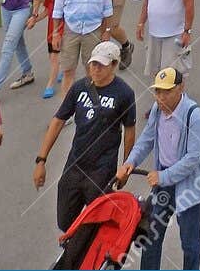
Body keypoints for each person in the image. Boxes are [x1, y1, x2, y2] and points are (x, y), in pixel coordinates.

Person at [35, 41, 137, 231]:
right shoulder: (79, 88)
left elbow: (129, 132)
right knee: (65, 222)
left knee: (96, 223)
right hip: (75, 165)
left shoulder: (124, 93)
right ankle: (73, 248)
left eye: (101, 65)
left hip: (102, 170)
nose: (95, 69)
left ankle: (87, 255)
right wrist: (41, 160)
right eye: (93, 64)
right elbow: (58, 121)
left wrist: (125, 167)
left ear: (114, 65)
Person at [116, 68, 200, 270]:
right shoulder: (157, 110)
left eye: (166, 92)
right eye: (158, 92)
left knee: (189, 242)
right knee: (150, 236)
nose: (161, 97)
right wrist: (130, 162)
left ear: (181, 88)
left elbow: (193, 158)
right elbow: (146, 140)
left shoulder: (194, 116)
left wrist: (163, 176)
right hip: (163, 186)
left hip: (187, 187)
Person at [37, 0, 67, 98]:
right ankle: (61, 70)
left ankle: (50, 84)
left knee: (56, 57)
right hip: (51, 32)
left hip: (64, 32)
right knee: (52, 57)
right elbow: (46, 12)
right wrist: (34, 20)